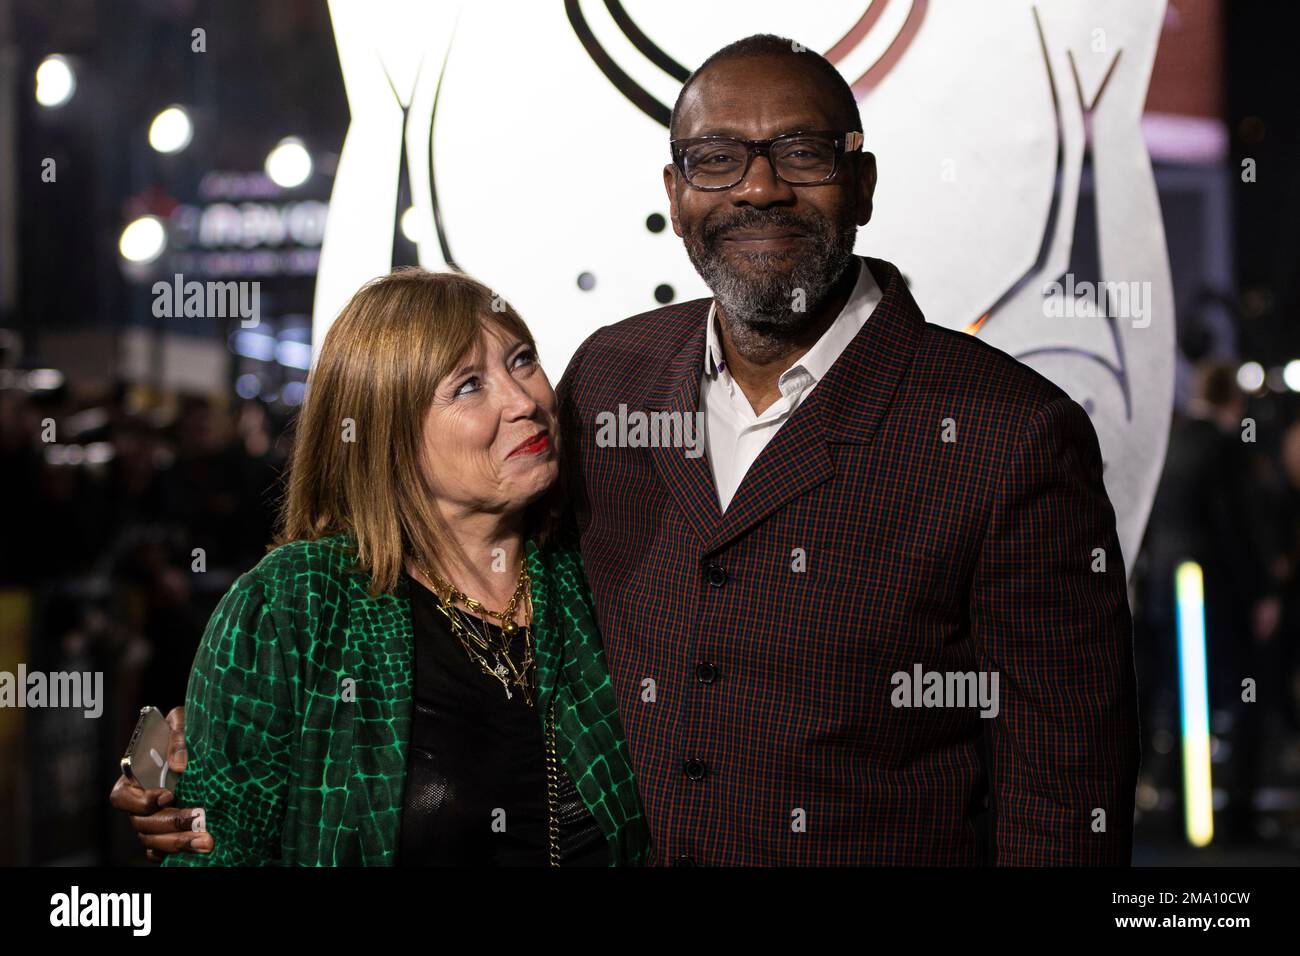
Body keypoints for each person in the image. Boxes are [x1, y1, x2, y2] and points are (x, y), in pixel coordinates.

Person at [120, 33, 1140, 866]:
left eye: (802, 152)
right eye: (716, 160)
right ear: (675, 192)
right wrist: (175, 793)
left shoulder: (1009, 435)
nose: (758, 189)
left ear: (862, 182)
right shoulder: (611, 378)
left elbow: (1066, 802)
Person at [110, 269, 647, 865]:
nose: (525, 402)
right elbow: (214, 849)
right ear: (388, 432)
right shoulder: (295, 605)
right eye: (469, 386)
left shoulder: (598, 568)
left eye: (522, 360)